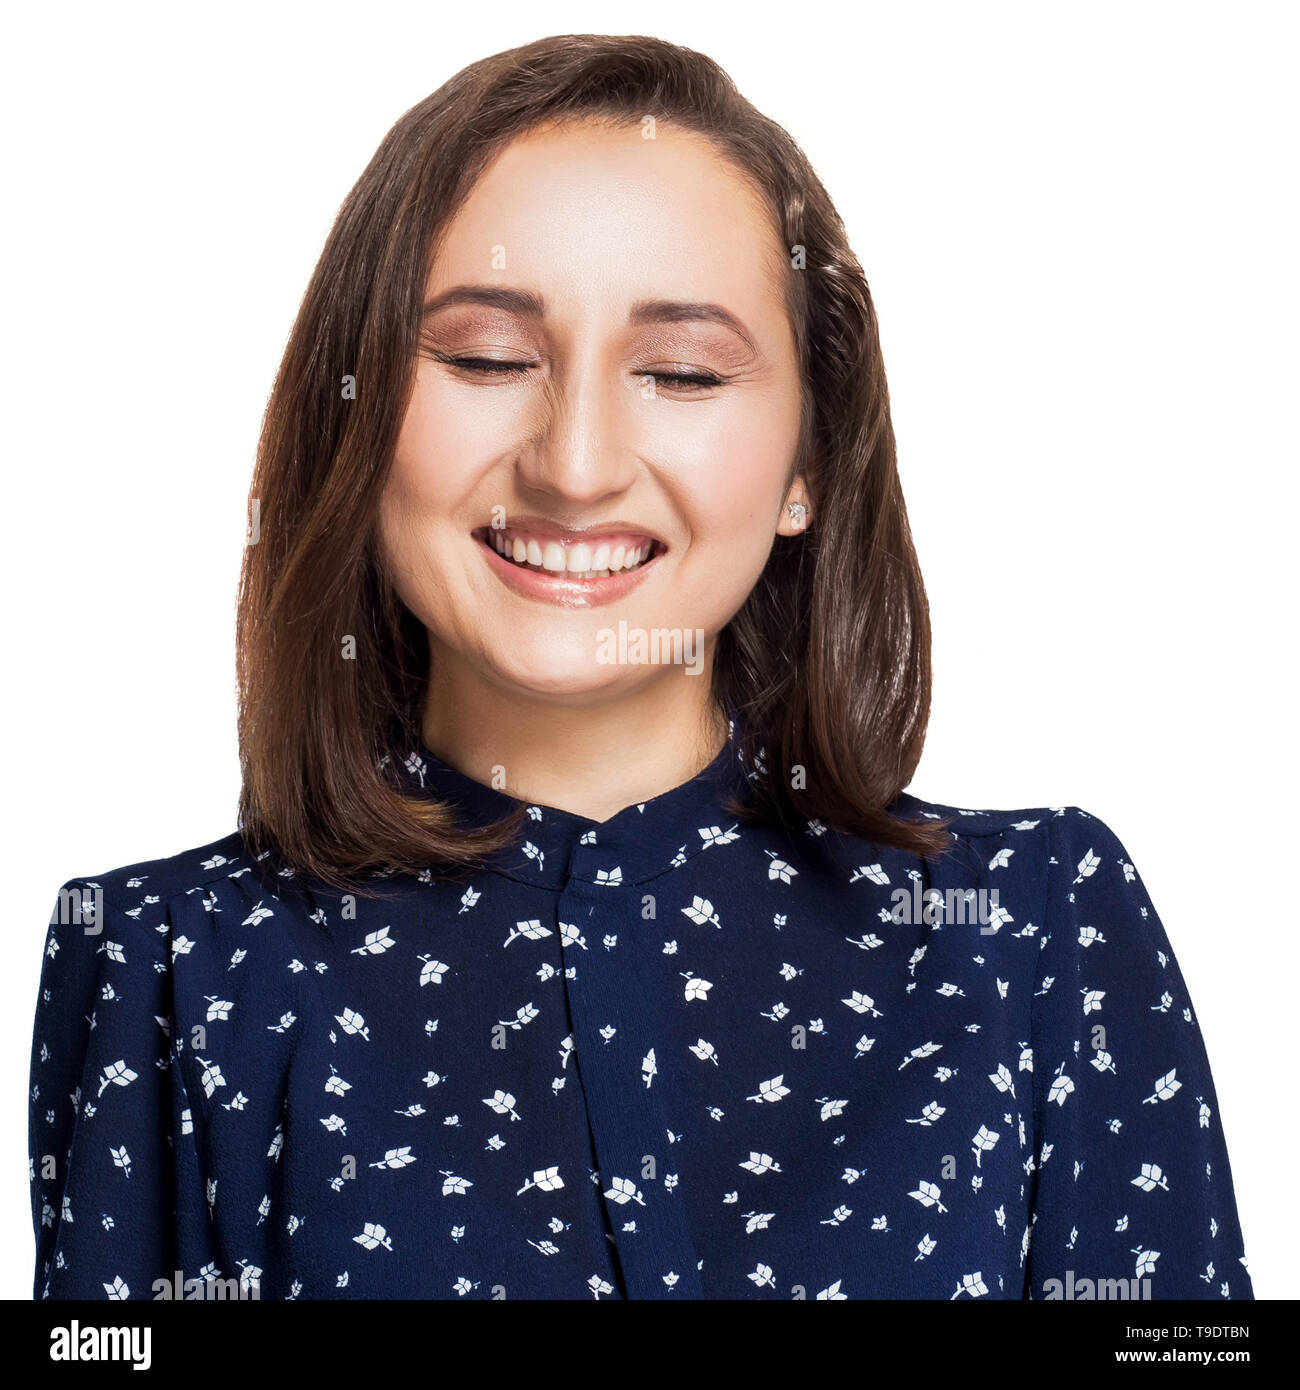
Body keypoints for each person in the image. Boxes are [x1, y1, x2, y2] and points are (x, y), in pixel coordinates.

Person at [29, 33, 1252, 1301]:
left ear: (806, 467)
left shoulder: (1034, 927)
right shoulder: (169, 962)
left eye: (678, 372)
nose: (575, 463)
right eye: (487, 360)